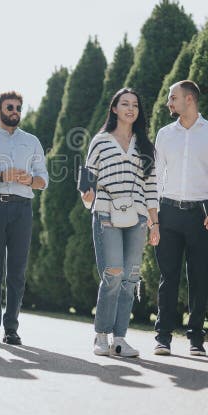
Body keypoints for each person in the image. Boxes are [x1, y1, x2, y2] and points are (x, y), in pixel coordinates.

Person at [80, 88, 160, 358]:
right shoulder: (100, 141)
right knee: (113, 274)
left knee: (130, 278)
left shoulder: (145, 145)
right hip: (105, 213)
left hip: (137, 216)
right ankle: (100, 335)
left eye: (135, 105)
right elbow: (88, 178)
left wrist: (154, 222)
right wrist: (87, 194)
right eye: (124, 104)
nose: (130, 109)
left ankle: (120, 339)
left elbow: (151, 186)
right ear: (114, 109)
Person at [153, 80, 208, 357]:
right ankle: (162, 337)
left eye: (173, 98)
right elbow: (156, 175)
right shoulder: (164, 134)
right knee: (167, 276)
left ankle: (196, 338)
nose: (168, 103)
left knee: (199, 277)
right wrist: (154, 215)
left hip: (202, 214)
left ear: (189, 100)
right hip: (167, 211)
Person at [0, 91, 48, 345]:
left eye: (18, 107)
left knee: (17, 272)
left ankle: (11, 329)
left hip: (22, 209)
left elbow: (43, 180)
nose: (15, 111)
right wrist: (2, 176)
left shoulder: (32, 141)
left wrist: (29, 180)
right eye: (10, 107)